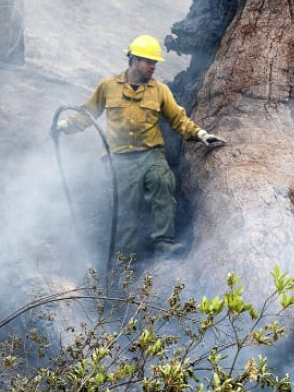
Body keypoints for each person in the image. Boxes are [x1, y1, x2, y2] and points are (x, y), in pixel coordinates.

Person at [53, 34, 224, 258]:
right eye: (148, 62)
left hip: (151, 154)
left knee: (162, 181)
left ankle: (164, 242)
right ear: (134, 60)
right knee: (126, 210)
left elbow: (178, 119)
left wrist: (201, 135)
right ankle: (126, 264)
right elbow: (87, 114)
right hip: (119, 158)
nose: (153, 67)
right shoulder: (108, 87)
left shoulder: (160, 90)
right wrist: (63, 125)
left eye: (154, 63)